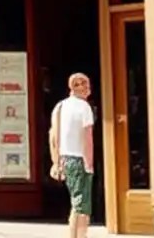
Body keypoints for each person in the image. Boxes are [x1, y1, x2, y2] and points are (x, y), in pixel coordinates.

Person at [50, 72, 96, 238]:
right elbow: (87, 137)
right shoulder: (84, 108)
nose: (88, 89)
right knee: (81, 206)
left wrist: (56, 162)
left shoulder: (60, 107)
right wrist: (89, 163)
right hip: (79, 159)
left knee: (75, 201)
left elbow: (53, 137)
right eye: (86, 85)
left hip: (65, 159)